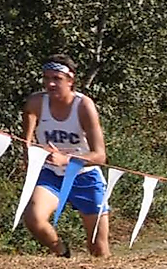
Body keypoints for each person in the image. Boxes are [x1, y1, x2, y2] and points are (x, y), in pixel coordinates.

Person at [20, 56, 111, 258]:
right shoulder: (36, 102)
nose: (50, 84)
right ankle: (61, 252)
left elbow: (100, 155)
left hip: (84, 175)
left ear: (70, 80)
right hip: (52, 175)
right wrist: (28, 151)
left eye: (57, 78)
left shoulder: (83, 106)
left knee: (98, 245)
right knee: (34, 218)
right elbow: (27, 122)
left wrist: (67, 159)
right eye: (46, 78)